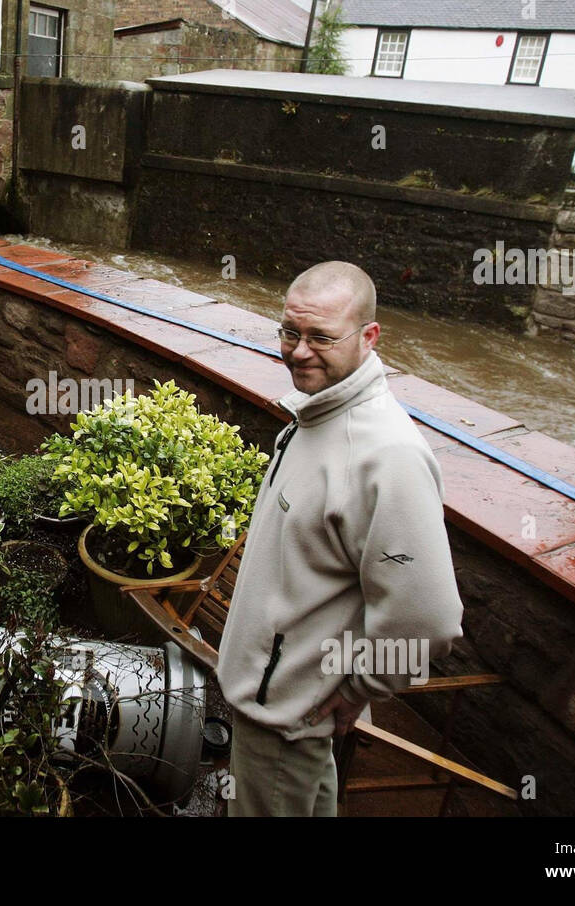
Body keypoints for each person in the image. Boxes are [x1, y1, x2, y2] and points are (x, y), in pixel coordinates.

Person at [216, 261, 465, 817]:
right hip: (282, 704)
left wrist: (359, 689)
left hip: (285, 718)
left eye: (322, 337)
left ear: (369, 336)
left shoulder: (386, 455)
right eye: (289, 332)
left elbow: (430, 619)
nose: (299, 352)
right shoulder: (319, 415)